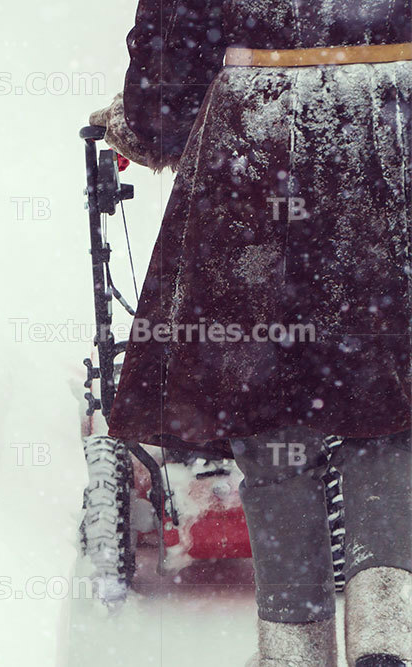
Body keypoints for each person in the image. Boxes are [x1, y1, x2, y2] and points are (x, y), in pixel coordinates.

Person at [89, 0, 412, 665]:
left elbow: (172, 43)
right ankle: (388, 632)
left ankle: (295, 649)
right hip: (395, 128)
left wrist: (147, 127)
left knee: (272, 413)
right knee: (387, 406)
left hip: (258, 141)